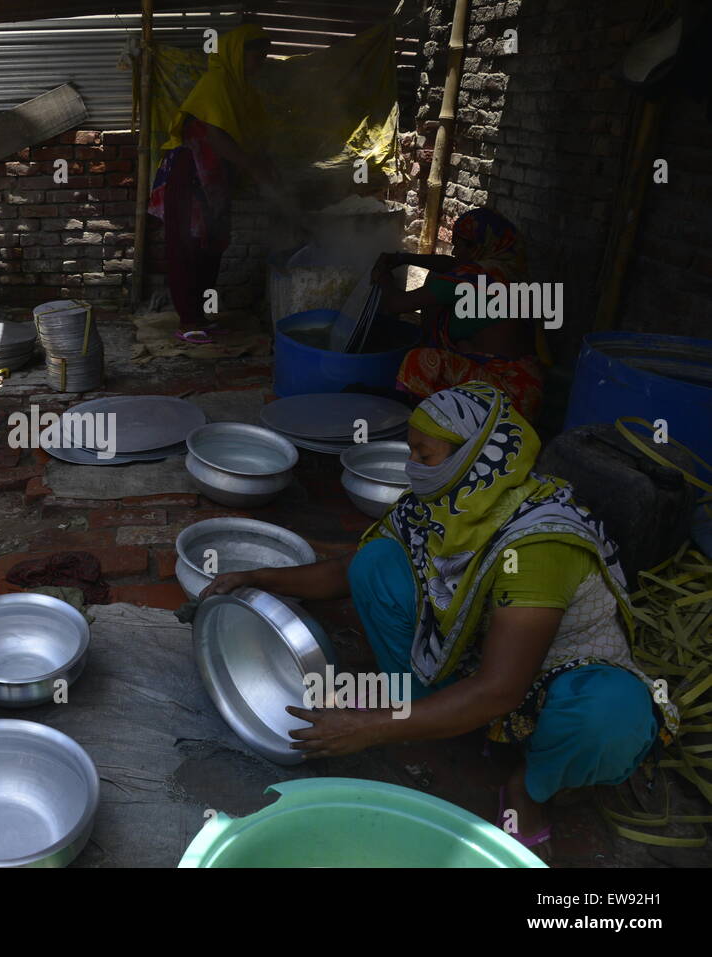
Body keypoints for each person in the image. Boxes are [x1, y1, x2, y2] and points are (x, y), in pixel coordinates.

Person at [202, 382, 677, 849]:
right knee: (377, 564)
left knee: (607, 718)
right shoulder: (444, 503)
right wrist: (260, 578)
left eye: (424, 456)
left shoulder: (537, 545)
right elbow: (347, 571)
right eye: (411, 453)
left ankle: (529, 783)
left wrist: (370, 729)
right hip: (474, 655)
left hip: (558, 675)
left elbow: (502, 687)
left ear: (474, 456)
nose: (412, 469)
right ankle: (427, 710)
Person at [148, 24, 277, 345]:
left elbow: (248, 137)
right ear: (236, 54)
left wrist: (264, 167)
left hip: (214, 178)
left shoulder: (240, 90)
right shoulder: (216, 83)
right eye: (256, 55)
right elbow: (217, 139)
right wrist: (255, 169)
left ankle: (202, 316)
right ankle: (188, 320)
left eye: (264, 56)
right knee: (186, 247)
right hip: (189, 175)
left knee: (212, 246)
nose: (261, 62)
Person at [370, 208, 548, 421]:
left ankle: (418, 420)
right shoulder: (510, 271)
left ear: (477, 248)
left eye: (459, 245)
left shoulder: (473, 277)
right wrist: (403, 258)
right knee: (440, 284)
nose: (455, 252)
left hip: (505, 397)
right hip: (529, 387)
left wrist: (382, 277)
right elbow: (452, 264)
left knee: (420, 360)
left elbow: (395, 304)